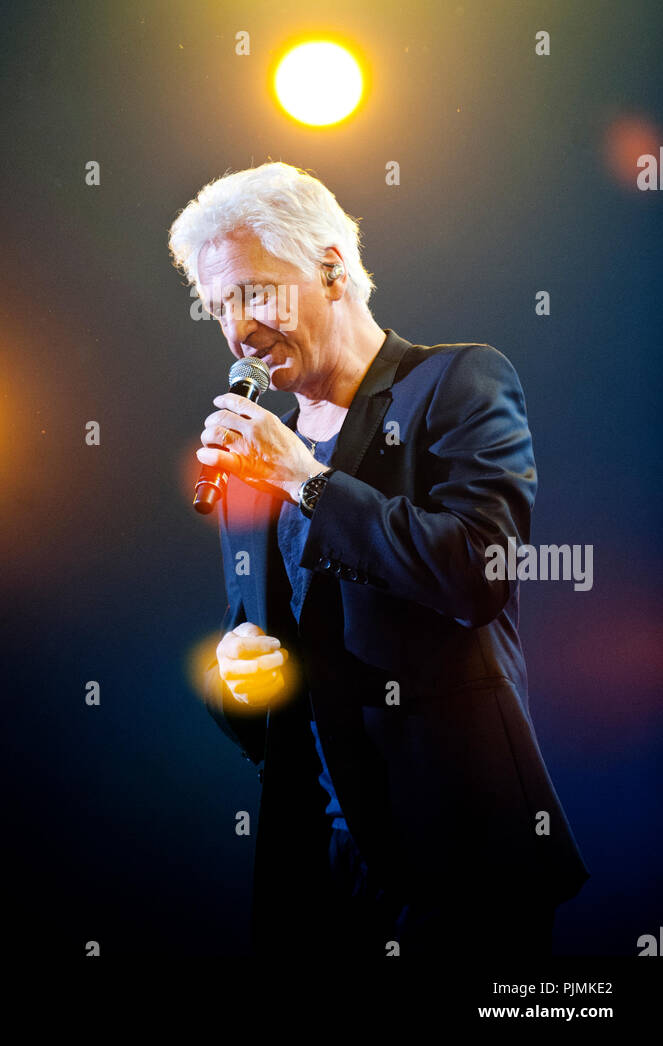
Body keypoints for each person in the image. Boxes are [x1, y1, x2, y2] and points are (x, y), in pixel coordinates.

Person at [168, 161, 590, 956]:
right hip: (318, 868)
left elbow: (479, 571)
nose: (237, 330)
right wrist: (236, 681)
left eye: (255, 292)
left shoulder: (455, 383)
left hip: (461, 860)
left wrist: (304, 478)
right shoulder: (248, 464)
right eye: (218, 305)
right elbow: (264, 691)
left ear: (330, 268)